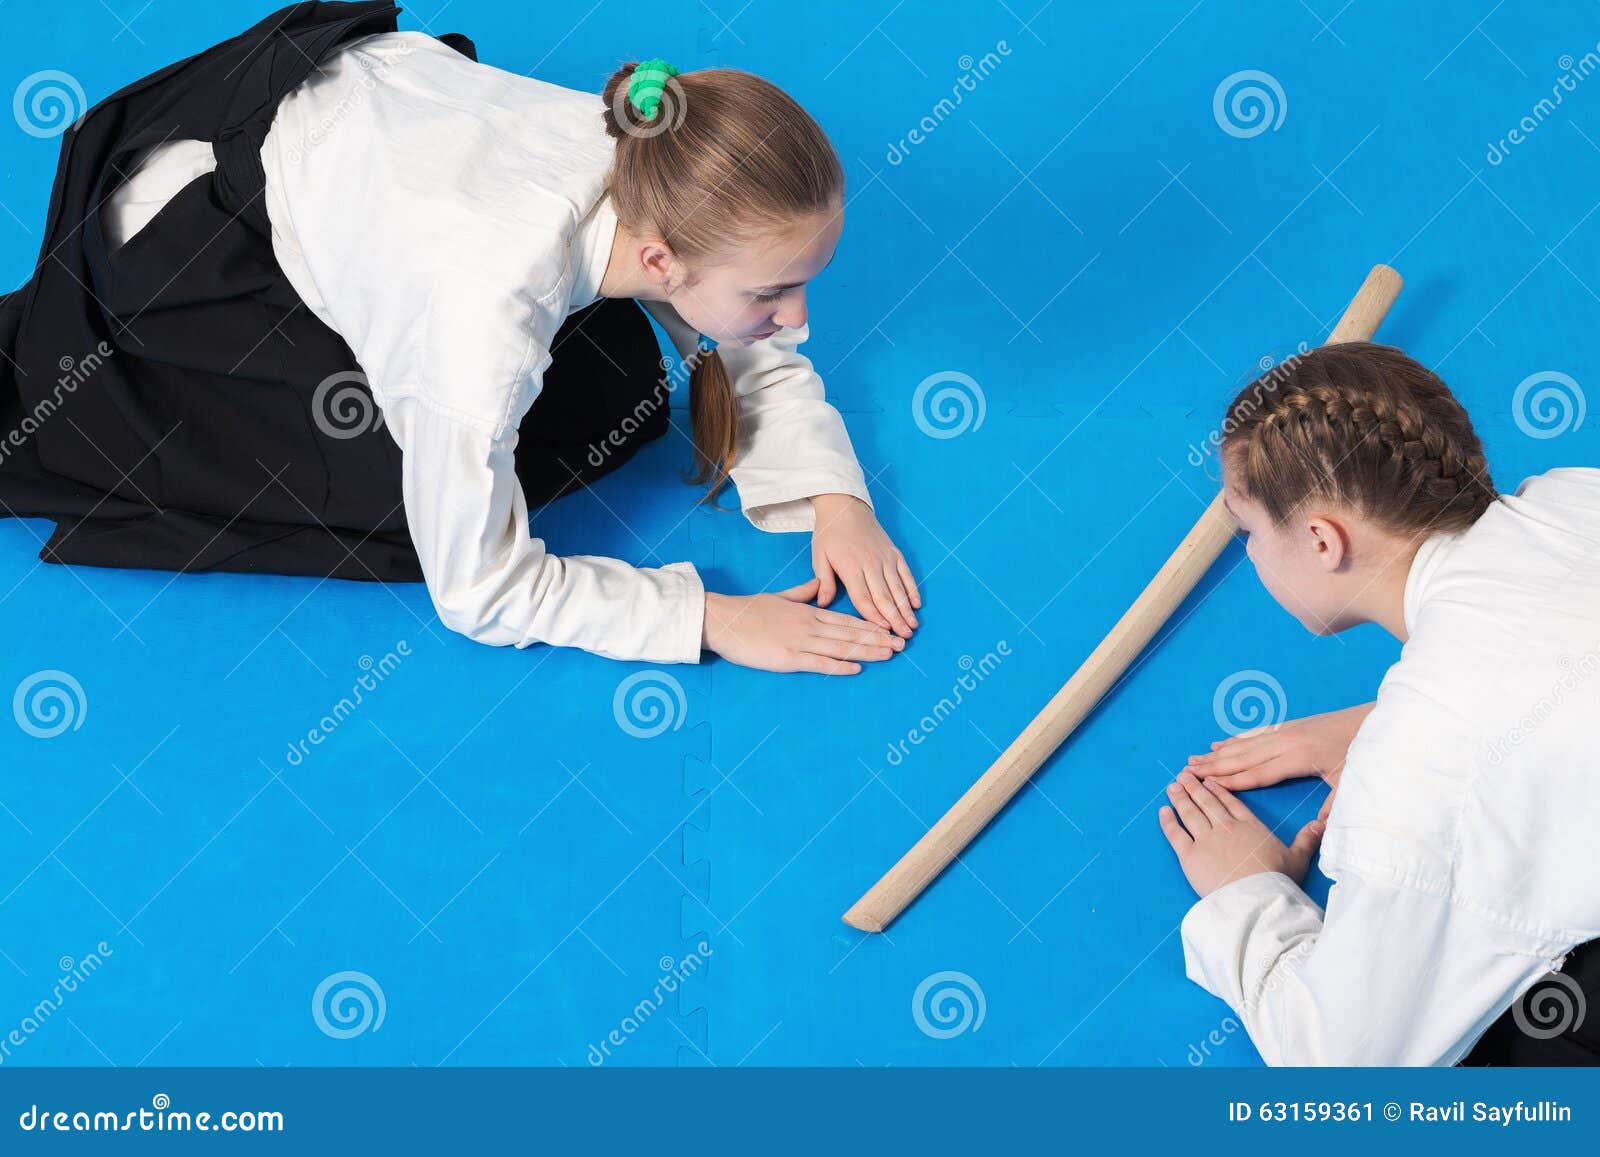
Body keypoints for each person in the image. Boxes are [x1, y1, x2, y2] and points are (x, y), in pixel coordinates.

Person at [0, 1, 920, 674]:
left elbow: (739, 319)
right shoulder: (481, 320)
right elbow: (479, 590)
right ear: (659, 257)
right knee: (429, 507)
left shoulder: (655, 150)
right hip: (184, 249)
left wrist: (835, 496)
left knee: (614, 381)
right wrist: (709, 618)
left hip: (329, 118)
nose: (798, 318)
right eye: (779, 290)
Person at [1158, 341, 1600, 1065]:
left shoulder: (1417, 771)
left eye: (1248, 532)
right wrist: (1370, 726)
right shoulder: (1578, 494)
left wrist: (1248, 894)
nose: (1249, 555)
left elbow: (1343, 1067)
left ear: (1320, 539)